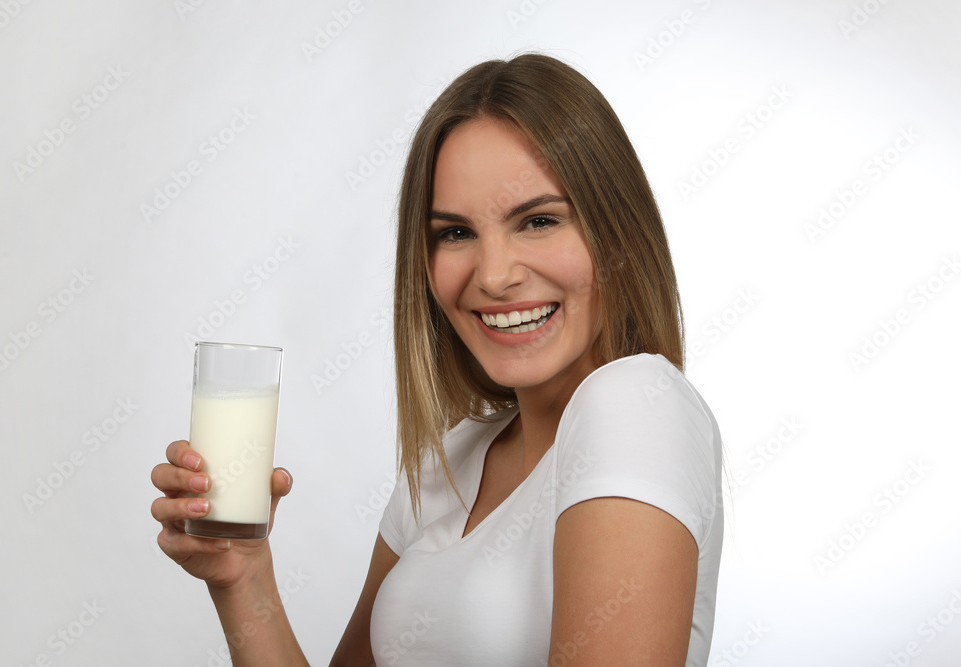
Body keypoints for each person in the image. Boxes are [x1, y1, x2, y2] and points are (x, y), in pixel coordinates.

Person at [152, 53, 723, 667]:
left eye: (537, 220)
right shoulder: (446, 463)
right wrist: (243, 579)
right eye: (455, 233)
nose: (495, 275)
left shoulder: (636, 401)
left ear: (618, 233)